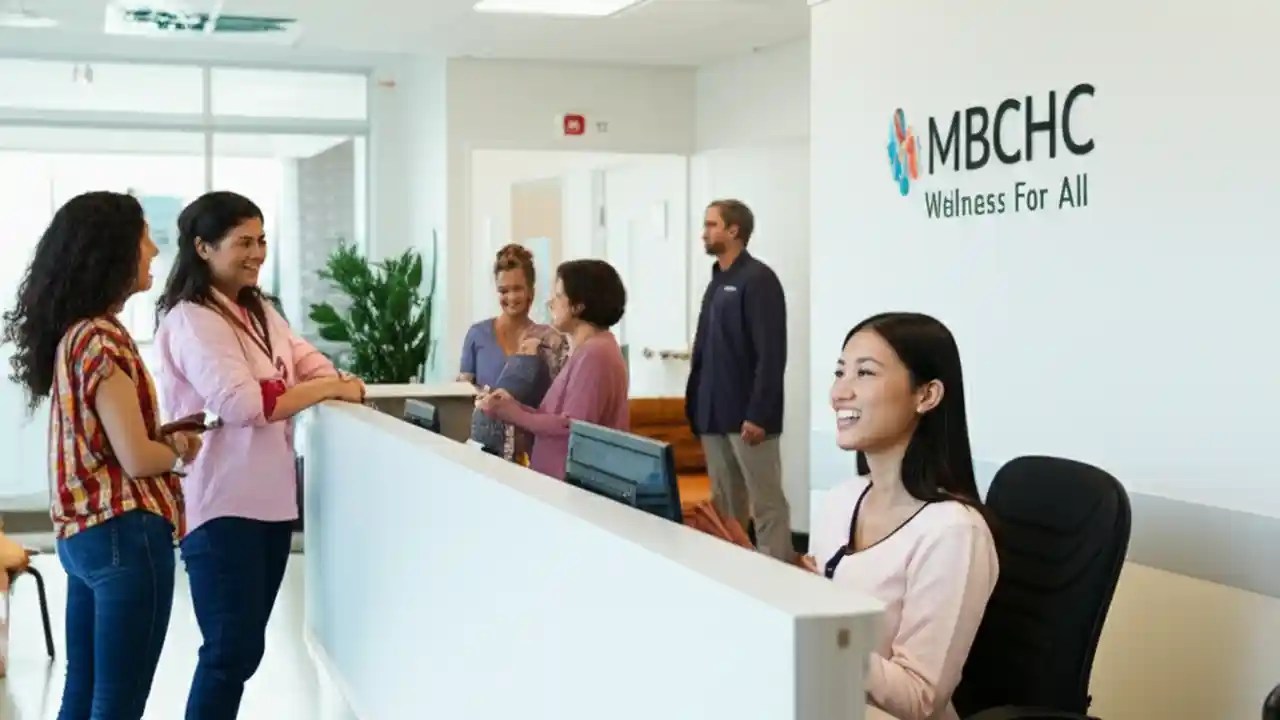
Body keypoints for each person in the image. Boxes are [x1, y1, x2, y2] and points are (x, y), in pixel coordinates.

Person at [154, 191, 365, 720]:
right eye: (243, 242)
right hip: (221, 503)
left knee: (244, 651)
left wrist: (321, 383)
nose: (257, 252)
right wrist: (320, 390)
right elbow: (245, 404)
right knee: (229, 652)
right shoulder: (192, 319)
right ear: (203, 248)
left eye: (262, 239)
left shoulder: (259, 310)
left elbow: (307, 361)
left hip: (270, 503)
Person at [2, 191, 199, 719]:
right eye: (144, 240)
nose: (155, 251)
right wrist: (179, 447)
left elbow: (109, 443)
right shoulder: (104, 339)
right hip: (126, 534)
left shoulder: (73, 337)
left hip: (84, 538)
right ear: (112, 252)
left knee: (83, 693)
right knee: (117, 704)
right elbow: (137, 459)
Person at [805, 312, 999, 720]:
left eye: (865, 373)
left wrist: (815, 625)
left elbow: (919, 700)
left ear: (926, 395)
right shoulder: (841, 500)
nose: (840, 392)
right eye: (840, 372)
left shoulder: (953, 532)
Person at [685, 199, 793, 561]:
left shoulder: (758, 280)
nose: (704, 232)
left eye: (712, 224)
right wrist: (695, 406)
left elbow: (772, 353)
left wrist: (760, 413)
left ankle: (778, 582)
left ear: (734, 230)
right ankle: (733, 577)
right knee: (725, 507)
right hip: (713, 415)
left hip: (748, 418)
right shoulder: (718, 281)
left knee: (766, 505)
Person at [477, 259, 628, 480]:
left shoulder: (595, 354)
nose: (551, 303)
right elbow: (554, 417)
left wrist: (512, 412)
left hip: (575, 487)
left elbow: (571, 427)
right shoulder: (587, 350)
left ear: (578, 306)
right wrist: (509, 405)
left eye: (558, 296)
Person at [462, 244, 569, 461]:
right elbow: (463, 393)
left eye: (517, 289)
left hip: (535, 450)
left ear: (531, 290)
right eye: (503, 290)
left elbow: (560, 398)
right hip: (487, 450)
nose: (510, 297)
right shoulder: (477, 334)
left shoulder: (550, 339)